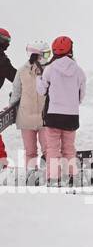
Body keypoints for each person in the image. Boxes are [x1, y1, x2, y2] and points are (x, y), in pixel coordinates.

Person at [36, 37, 87, 187]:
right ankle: (72, 177)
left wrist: (39, 78)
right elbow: (81, 95)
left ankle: (53, 179)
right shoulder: (78, 71)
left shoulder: (50, 69)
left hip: (53, 115)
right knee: (69, 148)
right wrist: (72, 104)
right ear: (70, 49)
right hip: (71, 116)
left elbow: (41, 90)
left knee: (52, 148)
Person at [11, 41, 50, 184]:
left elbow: (16, 93)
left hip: (35, 118)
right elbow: (16, 93)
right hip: (39, 119)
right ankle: (40, 175)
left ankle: (38, 175)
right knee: (42, 149)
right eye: (46, 54)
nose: (48, 56)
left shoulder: (24, 70)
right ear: (38, 55)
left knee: (37, 150)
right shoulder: (46, 70)